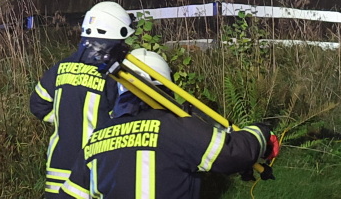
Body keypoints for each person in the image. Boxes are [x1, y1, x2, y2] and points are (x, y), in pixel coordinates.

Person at [59, 48, 272, 199]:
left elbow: (70, 195)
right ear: (166, 88)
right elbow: (235, 153)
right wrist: (261, 132)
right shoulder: (177, 129)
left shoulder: (97, 138)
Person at [31, 1, 133, 195]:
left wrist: (64, 117)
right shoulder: (115, 76)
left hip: (57, 171)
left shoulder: (61, 67)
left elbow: (37, 104)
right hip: (94, 171)